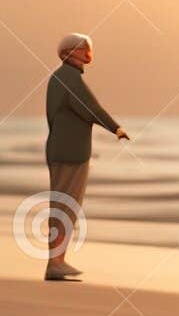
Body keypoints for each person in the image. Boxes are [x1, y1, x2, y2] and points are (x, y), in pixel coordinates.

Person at [42, 32, 130, 281]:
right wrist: (115, 128)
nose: (87, 54)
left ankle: (56, 261)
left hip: (61, 149)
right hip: (71, 152)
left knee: (61, 204)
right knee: (65, 205)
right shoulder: (69, 77)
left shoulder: (59, 77)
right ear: (69, 52)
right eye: (82, 49)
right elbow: (90, 107)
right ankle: (55, 263)